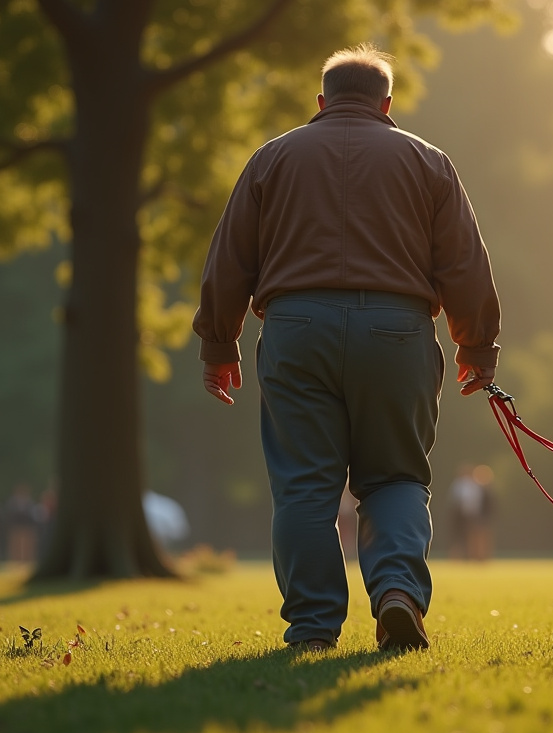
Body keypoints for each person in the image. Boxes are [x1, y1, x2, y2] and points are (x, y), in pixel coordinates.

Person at [194, 44, 501, 653]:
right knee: (395, 477)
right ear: (387, 104)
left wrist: (218, 344)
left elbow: (229, 262)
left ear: (321, 101)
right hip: (397, 330)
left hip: (295, 328)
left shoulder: (270, 160)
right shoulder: (428, 161)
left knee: (306, 486)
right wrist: (477, 347)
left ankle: (312, 627)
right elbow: (465, 265)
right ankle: (396, 594)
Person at [450, 464, 495, 561]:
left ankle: (480, 557)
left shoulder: (479, 487)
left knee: (479, 537)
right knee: (462, 537)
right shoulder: (460, 485)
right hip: (463, 517)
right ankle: (462, 557)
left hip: (477, 516)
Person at [6, 483, 40, 564]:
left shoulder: (30, 503)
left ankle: (27, 561)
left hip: (27, 528)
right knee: (15, 546)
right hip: (16, 527)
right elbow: (9, 515)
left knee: (27, 546)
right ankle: (15, 561)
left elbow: (33, 515)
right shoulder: (12, 503)